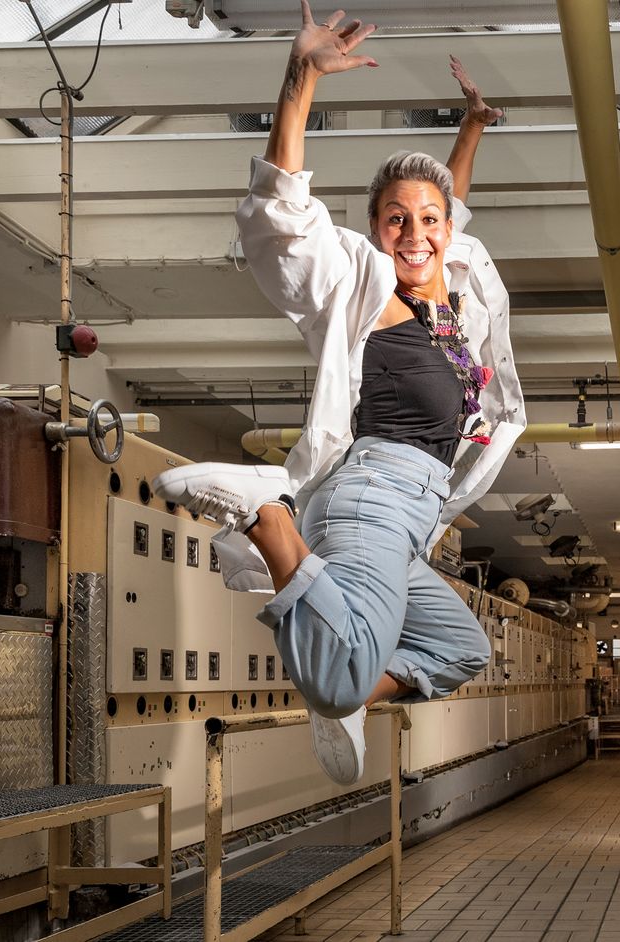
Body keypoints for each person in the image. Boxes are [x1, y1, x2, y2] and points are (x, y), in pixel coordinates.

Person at [154, 2, 525, 786]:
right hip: (371, 494)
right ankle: (270, 518)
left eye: (427, 221)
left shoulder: (452, 290)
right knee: (334, 670)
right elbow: (284, 216)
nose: (414, 233)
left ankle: (349, 696)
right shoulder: (365, 284)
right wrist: (302, 76)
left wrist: (473, 129)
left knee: (462, 651)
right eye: (395, 220)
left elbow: (445, 203)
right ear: (373, 227)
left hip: (414, 518)